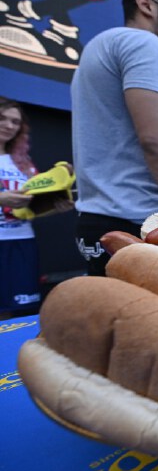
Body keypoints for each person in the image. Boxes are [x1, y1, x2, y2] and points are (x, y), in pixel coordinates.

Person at [72, 0, 158, 276]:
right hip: (141, 226)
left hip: (99, 221)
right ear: (146, 5)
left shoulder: (103, 46)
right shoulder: (144, 43)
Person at [0, 97, 72, 316]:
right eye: (2, 118)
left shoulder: (23, 162)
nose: (9, 125)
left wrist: (51, 205)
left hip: (22, 243)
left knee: (22, 311)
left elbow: (28, 209)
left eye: (15, 122)